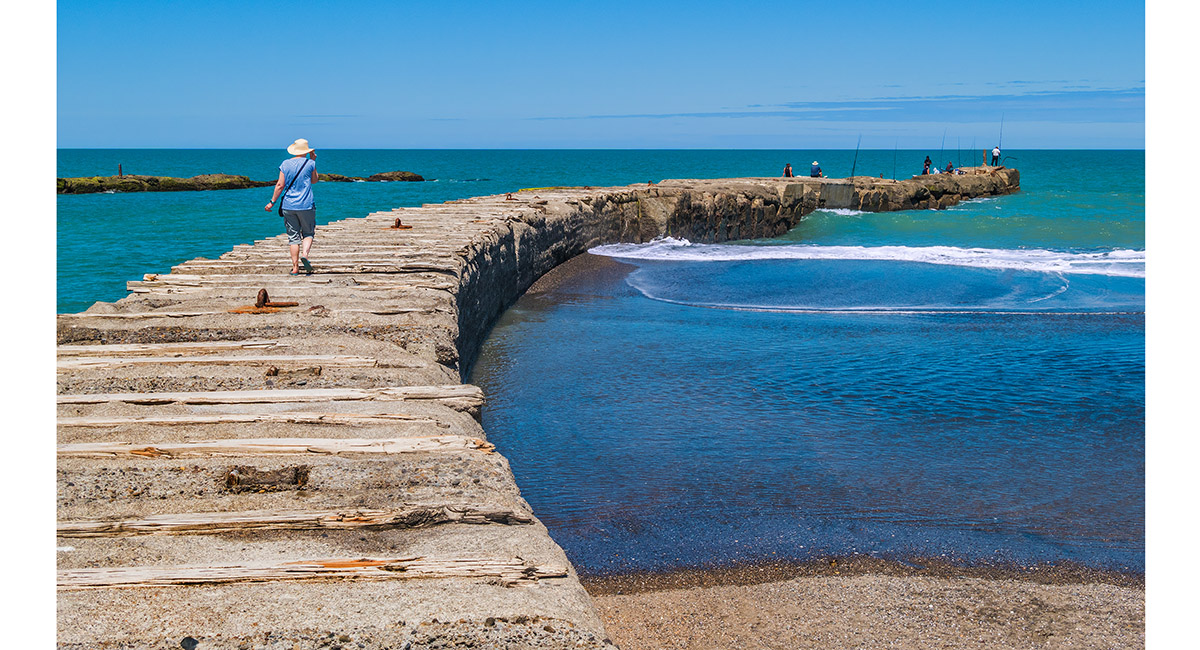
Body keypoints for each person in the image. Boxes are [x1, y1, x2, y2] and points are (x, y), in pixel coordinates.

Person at [265, 139, 319, 275]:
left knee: (293, 237)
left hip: (289, 205)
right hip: (306, 205)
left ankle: (295, 268)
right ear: (306, 151)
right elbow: (314, 180)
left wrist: (272, 202)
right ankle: (305, 256)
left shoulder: (285, 164)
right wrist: (313, 160)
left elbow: (280, 185)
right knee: (308, 233)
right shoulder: (310, 163)